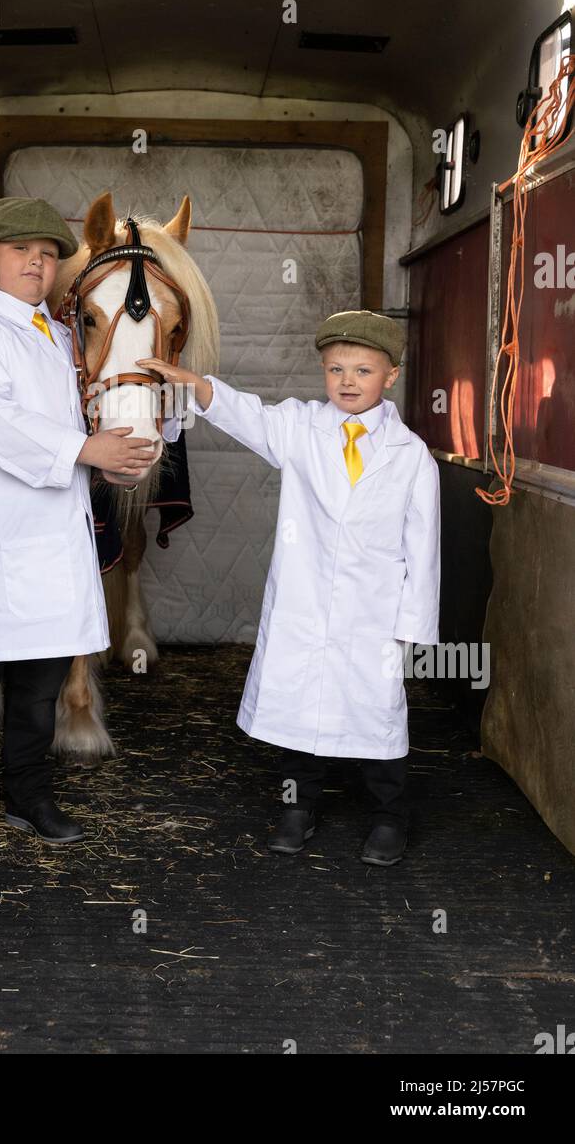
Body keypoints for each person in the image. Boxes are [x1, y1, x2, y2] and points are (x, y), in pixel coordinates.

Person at [138, 309, 440, 866]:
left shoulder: (411, 456)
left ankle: (389, 816)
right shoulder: (301, 427)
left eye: (363, 371)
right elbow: (247, 414)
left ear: (391, 375)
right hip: (305, 606)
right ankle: (298, 809)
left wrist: (414, 629)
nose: (347, 382)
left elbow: (424, 550)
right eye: (336, 369)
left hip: (373, 614)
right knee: (302, 714)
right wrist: (196, 386)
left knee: (379, 716)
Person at [0, 196, 165, 863]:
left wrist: (118, 450)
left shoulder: (59, 337)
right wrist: (87, 450)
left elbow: (85, 411)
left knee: (39, 687)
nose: (36, 263)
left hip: (56, 544)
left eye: (47, 254)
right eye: (20, 251)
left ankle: (28, 797)